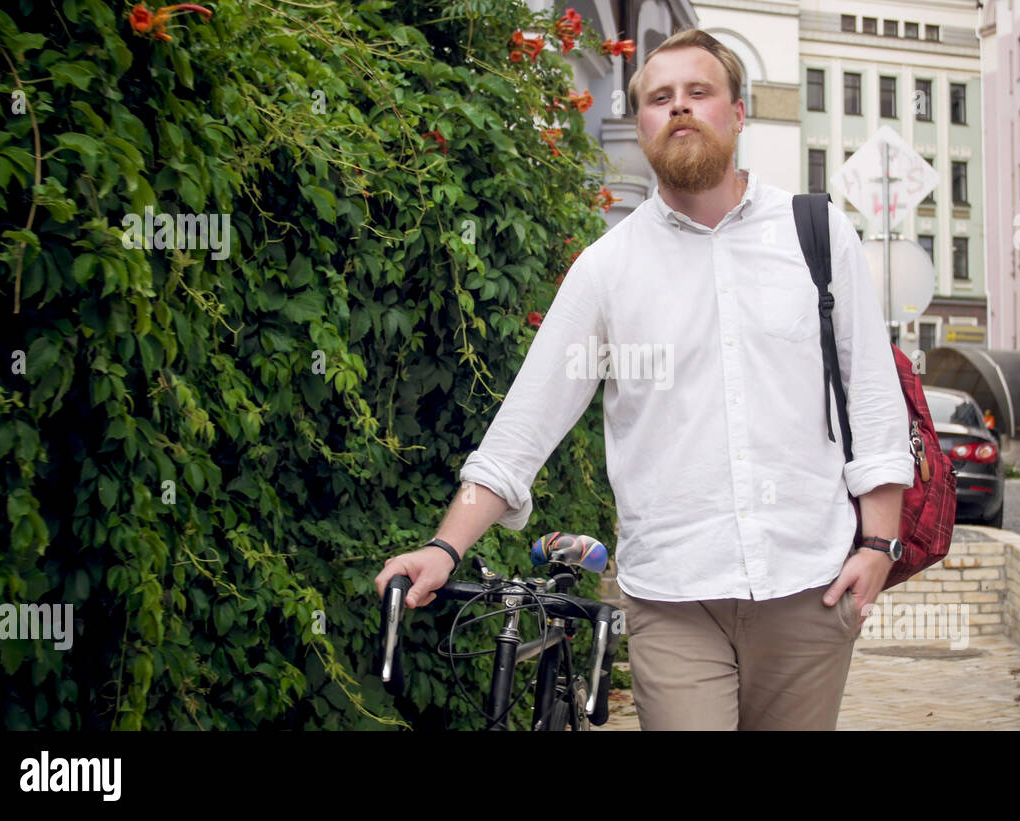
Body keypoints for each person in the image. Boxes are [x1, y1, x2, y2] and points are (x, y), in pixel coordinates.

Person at [375, 28, 913, 731]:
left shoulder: (816, 233)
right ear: (641, 127)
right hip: (673, 599)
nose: (679, 107)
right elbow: (524, 426)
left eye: (699, 92)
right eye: (660, 98)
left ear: (738, 114)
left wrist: (878, 546)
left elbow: (873, 396)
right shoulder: (607, 268)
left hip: (809, 587)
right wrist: (446, 547)